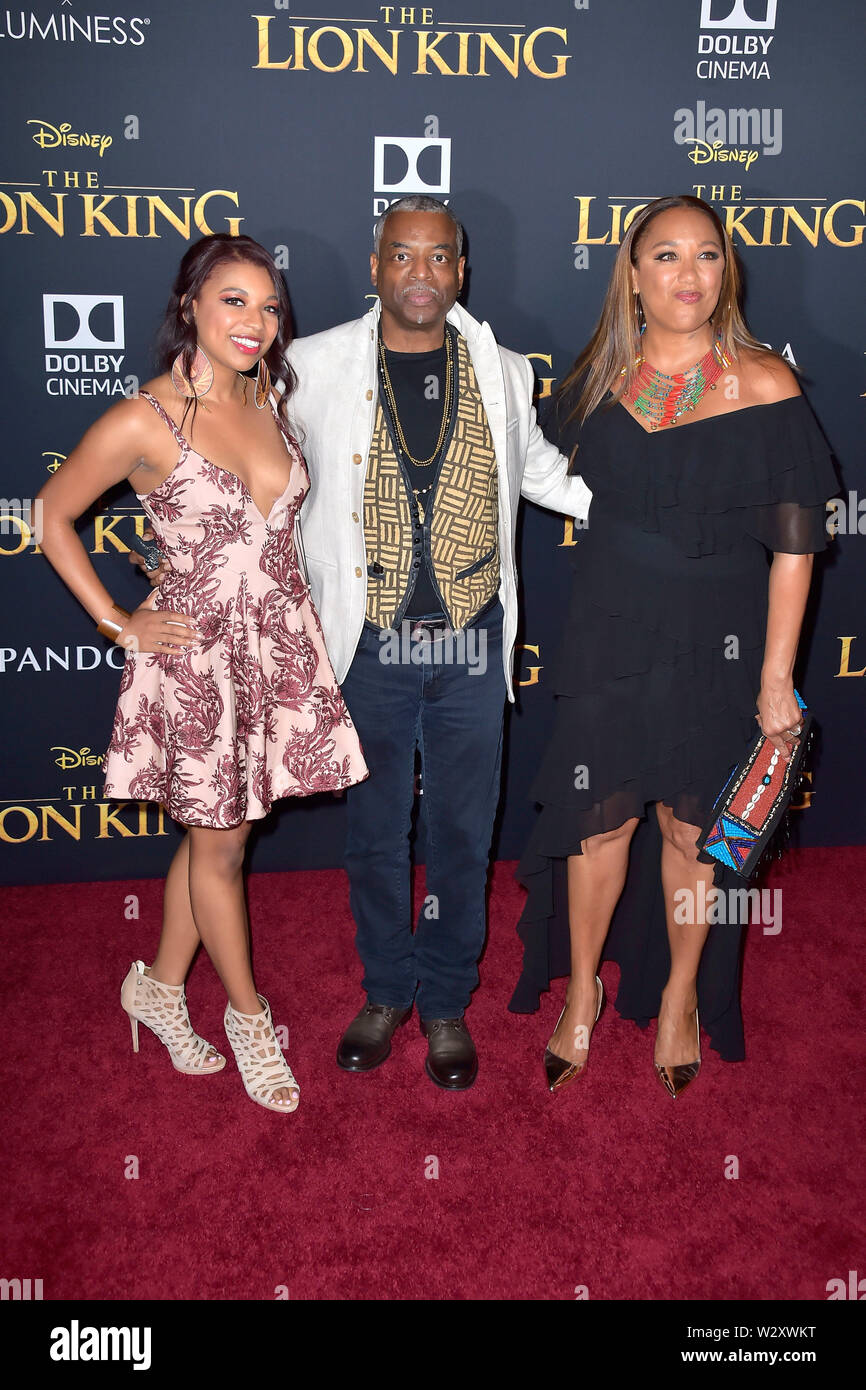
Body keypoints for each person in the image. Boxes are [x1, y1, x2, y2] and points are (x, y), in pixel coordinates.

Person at [509, 194, 837, 1098]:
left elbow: (797, 547)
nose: (688, 275)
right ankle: (582, 994)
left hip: (719, 648)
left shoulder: (767, 384)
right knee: (596, 824)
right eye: (666, 256)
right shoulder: (597, 380)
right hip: (610, 634)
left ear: (726, 270)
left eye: (705, 255)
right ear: (634, 273)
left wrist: (776, 679)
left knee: (693, 831)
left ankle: (682, 998)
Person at [36, 234, 368, 1114]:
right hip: (195, 665)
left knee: (220, 835)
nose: (254, 322)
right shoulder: (145, 418)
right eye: (233, 301)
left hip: (273, 651)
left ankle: (155, 986)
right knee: (221, 847)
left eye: (269, 307)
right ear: (191, 305)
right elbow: (51, 514)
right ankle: (252, 1022)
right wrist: (119, 620)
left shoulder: (270, 398)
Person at [284, 195, 591, 1089]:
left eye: (439, 258)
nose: (421, 273)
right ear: (376, 265)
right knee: (376, 831)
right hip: (371, 642)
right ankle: (386, 990)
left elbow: (534, 468)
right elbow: (265, 477)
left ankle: (449, 1001)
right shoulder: (312, 365)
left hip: (467, 641)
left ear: (462, 269)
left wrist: (627, 509)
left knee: (461, 832)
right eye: (402, 256)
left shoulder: (500, 368)